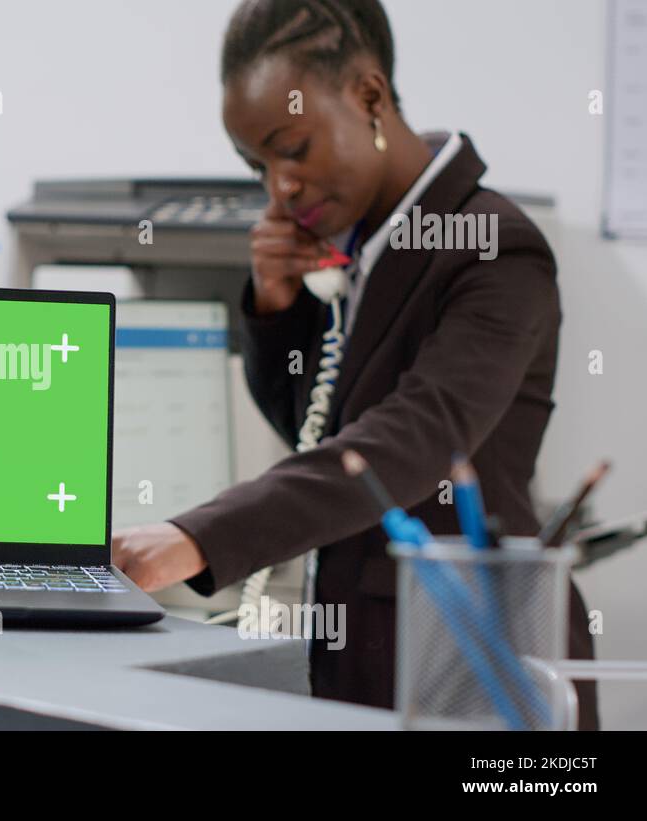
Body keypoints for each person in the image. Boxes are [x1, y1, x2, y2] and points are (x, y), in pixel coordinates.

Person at [111, 0, 598, 730]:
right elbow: (324, 430)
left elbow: (410, 438)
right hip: (371, 664)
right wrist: (279, 311)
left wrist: (200, 536)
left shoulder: (495, 246)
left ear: (368, 96)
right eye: (258, 165)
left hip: (477, 671)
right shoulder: (371, 241)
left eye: (293, 148)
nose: (280, 187)